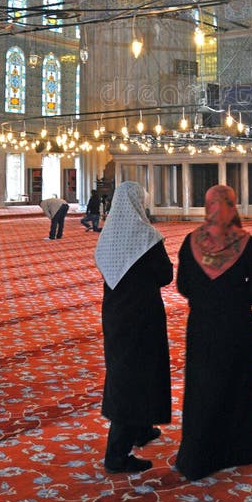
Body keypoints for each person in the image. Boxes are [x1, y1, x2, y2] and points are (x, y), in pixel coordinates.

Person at [175, 184, 252, 481]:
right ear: (232, 205)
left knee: (203, 387)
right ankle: (241, 447)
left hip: (202, 326)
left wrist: (206, 300)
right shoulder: (244, 242)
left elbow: (182, 286)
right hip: (236, 326)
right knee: (237, 385)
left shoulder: (191, 242)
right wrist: (234, 298)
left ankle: (199, 454)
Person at [94, 180, 173, 474]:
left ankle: (141, 428)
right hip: (142, 317)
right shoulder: (146, 236)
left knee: (125, 370)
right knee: (136, 376)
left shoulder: (108, 236)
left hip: (114, 315)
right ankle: (116, 454)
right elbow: (165, 275)